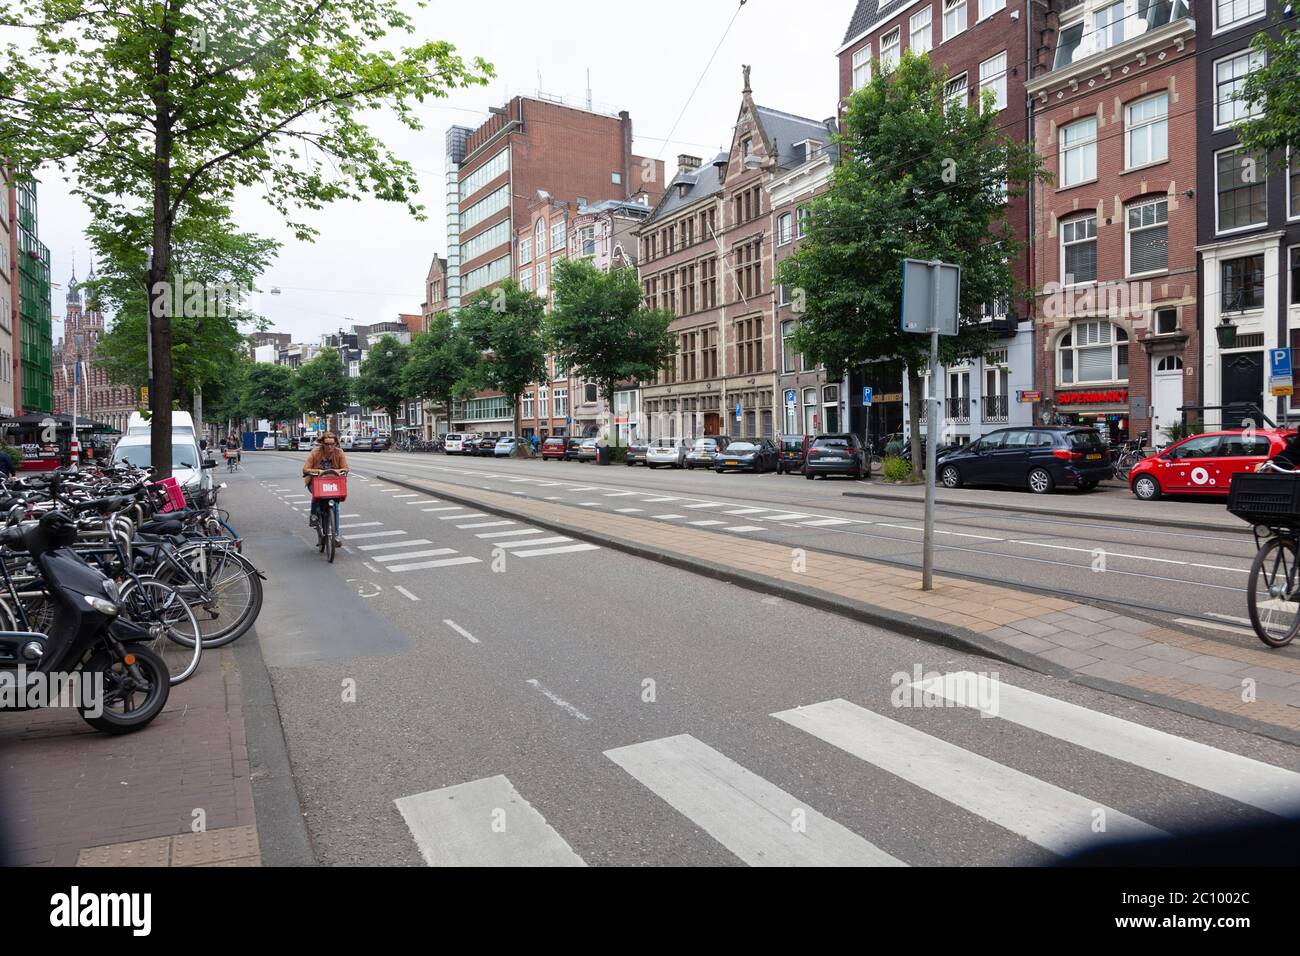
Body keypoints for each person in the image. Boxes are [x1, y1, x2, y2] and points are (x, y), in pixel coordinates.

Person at [303, 432, 350, 528]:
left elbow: (345, 468)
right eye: (327, 444)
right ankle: (314, 516)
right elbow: (305, 469)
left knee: (335, 506)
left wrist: (333, 471)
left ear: (336, 444)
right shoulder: (315, 452)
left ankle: (336, 536)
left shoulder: (339, 452)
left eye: (332, 444)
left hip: (334, 483)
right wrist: (318, 471)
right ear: (322, 444)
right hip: (316, 482)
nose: (329, 447)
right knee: (316, 495)